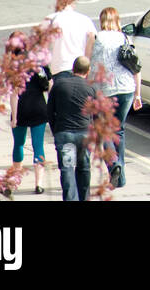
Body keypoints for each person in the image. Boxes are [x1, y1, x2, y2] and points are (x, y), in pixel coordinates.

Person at [87, 7, 142, 188]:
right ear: (117, 20)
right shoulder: (125, 38)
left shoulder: (97, 38)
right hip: (126, 89)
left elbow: (89, 66)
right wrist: (138, 95)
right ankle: (121, 179)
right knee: (119, 131)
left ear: (102, 20)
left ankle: (114, 165)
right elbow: (135, 66)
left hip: (105, 90)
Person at [6, 32, 50, 196]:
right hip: (39, 107)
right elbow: (49, 85)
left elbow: (14, 94)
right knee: (38, 145)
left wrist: (15, 117)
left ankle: (14, 182)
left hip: (22, 108)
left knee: (18, 144)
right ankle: (39, 184)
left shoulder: (13, 67)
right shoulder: (39, 62)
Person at [46, 55, 93, 202]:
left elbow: (49, 111)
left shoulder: (59, 85)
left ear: (73, 69)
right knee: (84, 168)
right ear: (88, 71)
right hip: (84, 134)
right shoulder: (90, 89)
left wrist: (56, 131)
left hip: (65, 134)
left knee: (67, 170)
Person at [45, 0, 96, 78]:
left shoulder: (51, 19)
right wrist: (86, 58)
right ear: (73, 3)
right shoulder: (84, 19)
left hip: (59, 67)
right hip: (79, 67)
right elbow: (92, 37)